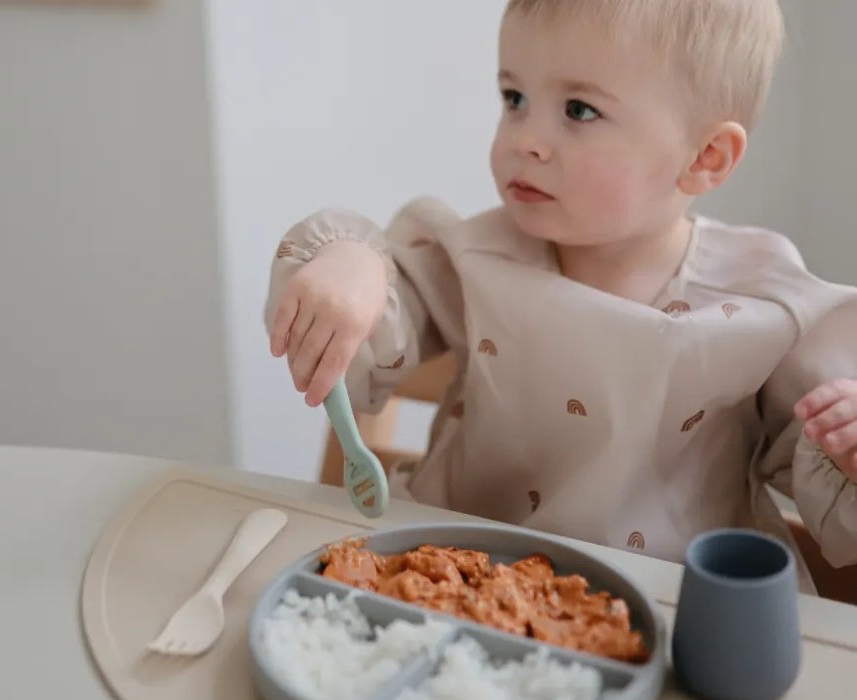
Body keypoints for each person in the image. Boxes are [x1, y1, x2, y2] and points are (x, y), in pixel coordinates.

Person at [263, 0, 857, 592]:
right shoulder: (479, 255)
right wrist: (352, 262)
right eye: (513, 98)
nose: (526, 139)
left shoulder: (762, 301)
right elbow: (383, 314)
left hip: (677, 610)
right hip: (459, 578)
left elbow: (823, 475)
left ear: (705, 158)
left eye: (579, 110)